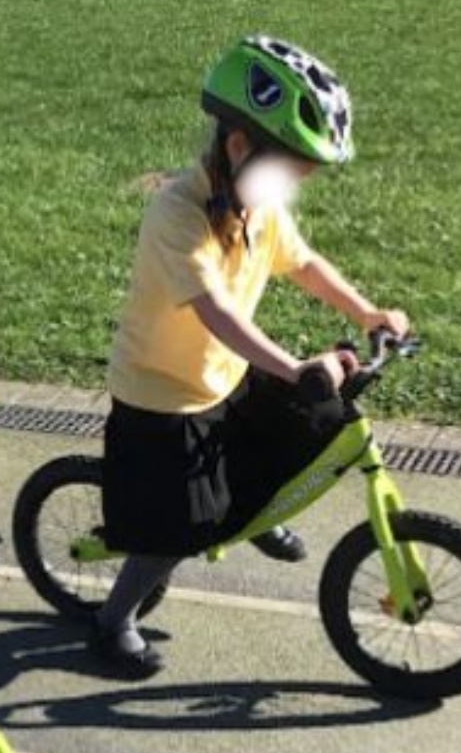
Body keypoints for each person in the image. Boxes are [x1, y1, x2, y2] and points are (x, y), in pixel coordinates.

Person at [91, 34, 411, 679]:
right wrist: (293, 367)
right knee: (176, 535)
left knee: (292, 436)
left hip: (224, 374)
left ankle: (249, 515)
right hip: (165, 398)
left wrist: (368, 313)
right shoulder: (177, 216)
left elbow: (305, 263)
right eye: (291, 170)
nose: (295, 184)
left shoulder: (256, 205)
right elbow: (218, 314)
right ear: (239, 146)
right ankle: (113, 619)